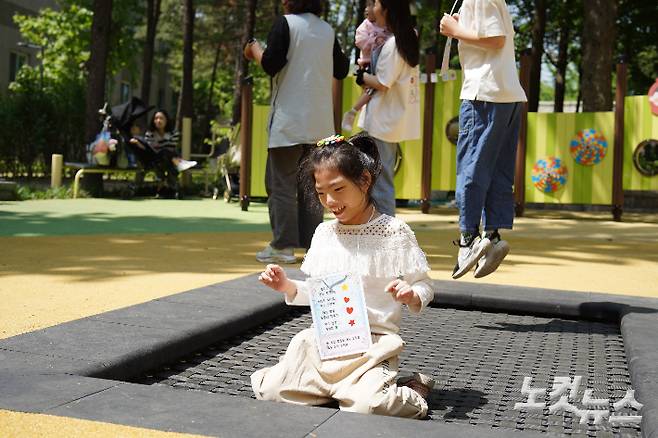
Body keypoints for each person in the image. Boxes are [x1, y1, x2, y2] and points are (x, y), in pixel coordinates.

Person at [252, 133, 435, 419]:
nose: (330, 201)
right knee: (271, 390)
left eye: (338, 189)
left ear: (364, 180)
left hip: (372, 346)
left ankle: (413, 389)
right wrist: (286, 285)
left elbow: (424, 284)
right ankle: (341, 389)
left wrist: (411, 294)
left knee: (370, 406)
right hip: (327, 342)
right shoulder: (324, 233)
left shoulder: (394, 232)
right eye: (321, 192)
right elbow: (319, 292)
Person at [244, 0, 349, 264]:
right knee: (314, 188)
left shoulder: (286, 24)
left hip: (288, 122)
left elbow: (270, 64)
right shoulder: (327, 30)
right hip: (320, 125)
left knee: (281, 185)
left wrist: (254, 50)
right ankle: (313, 247)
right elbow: (342, 69)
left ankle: (283, 246)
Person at [439, 0, 526, 279]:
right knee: (498, 170)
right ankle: (493, 236)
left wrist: (454, 29)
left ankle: (468, 240)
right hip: (507, 94)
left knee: (471, 168)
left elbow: (495, 39)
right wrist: (460, 26)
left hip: (483, 94)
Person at [356, 0, 421, 217]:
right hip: (390, 120)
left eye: (375, 3)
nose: (372, 8)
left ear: (385, 10)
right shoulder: (404, 40)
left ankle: (385, 235)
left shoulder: (393, 45)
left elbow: (383, 82)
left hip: (382, 121)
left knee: (380, 181)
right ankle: (380, 230)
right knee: (379, 177)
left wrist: (362, 76)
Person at [341, 0, 391, 132]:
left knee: (372, 93)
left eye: (372, 5)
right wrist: (374, 41)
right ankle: (353, 112)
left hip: (380, 64)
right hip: (367, 63)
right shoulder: (366, 26)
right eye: (367, 5)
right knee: (372, 90)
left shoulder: (385, 26)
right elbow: (359, 40)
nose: (368, 9)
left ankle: (355, 113)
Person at [132, 110, 196, 198]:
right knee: (164, 153)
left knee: (166, 153)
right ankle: (179, 164)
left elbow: (170, 147)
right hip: (156, 159)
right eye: (156, 118)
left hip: (167, 160)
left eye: (161, 118)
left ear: (166, 120)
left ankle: (165, 186)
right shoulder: (150, 134)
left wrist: (159, 143)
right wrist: (138, 144)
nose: (158, 121)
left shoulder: (174, 133)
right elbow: (150, 149)